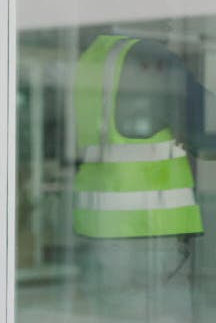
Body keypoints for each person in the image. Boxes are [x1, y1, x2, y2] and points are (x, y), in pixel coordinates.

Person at [73, 35, 207, 321]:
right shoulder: (150, 58)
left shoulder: (92, 58)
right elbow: (209, 132)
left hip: (100, 233)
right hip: (149, 234)